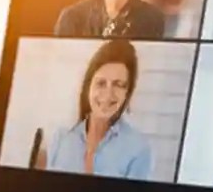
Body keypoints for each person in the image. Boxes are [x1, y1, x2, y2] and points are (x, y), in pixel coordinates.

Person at [36, 38, 153, 180]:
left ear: (127, 92)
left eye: (118, 84)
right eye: (101, 83)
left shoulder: (138, 149)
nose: (108, 94)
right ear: (88, 87)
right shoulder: (61, 138)